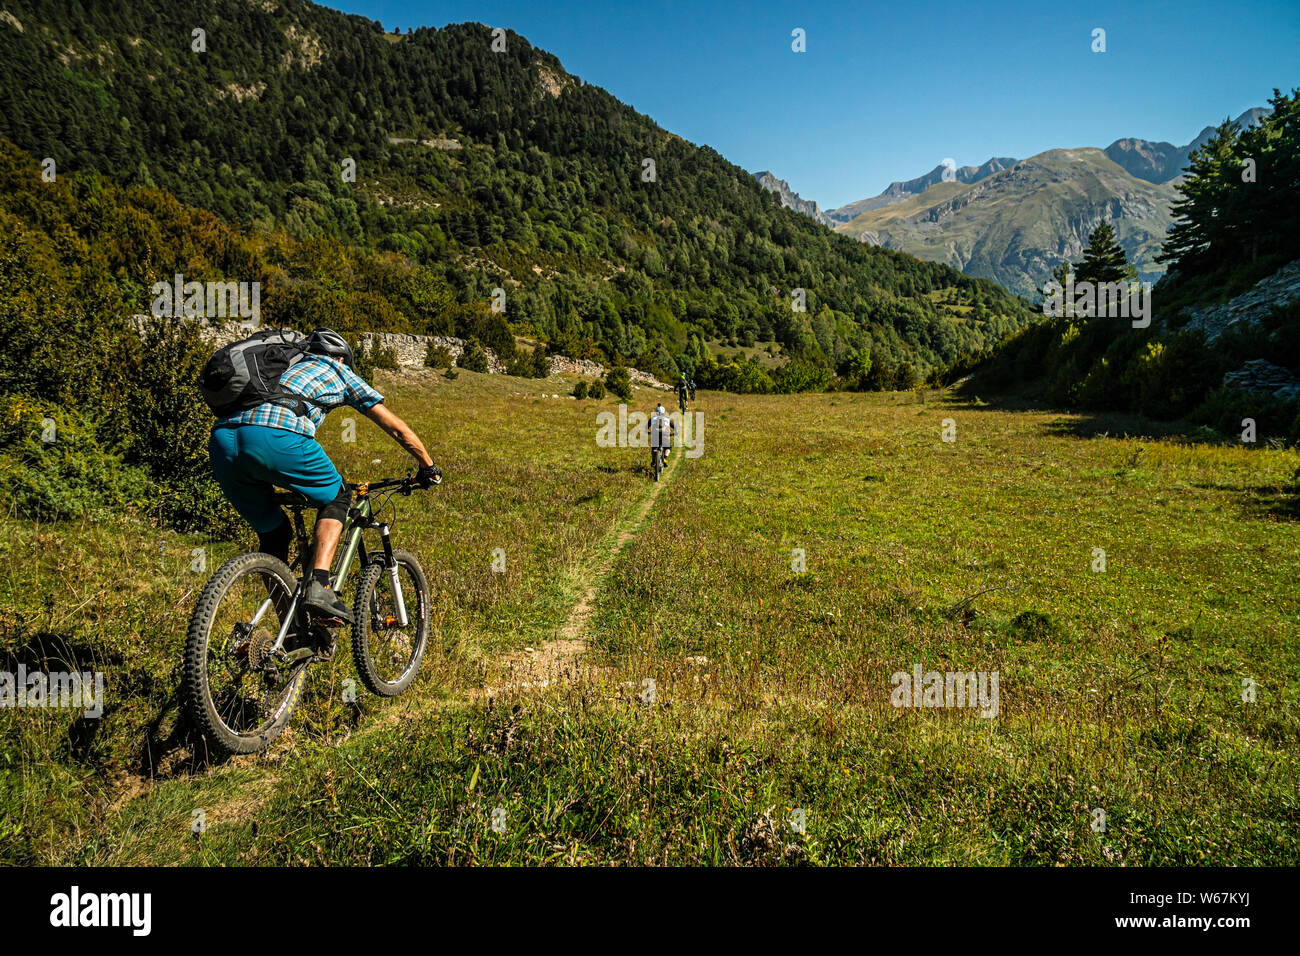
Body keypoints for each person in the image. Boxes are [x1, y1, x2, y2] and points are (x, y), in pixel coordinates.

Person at [207, 328, 440, 625]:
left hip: (223, 442)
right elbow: (396, 428)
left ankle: (289, 628)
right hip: (275, 436)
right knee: (339, 495)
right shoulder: (337, 370)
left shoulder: (282, 366)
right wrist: (428, 466)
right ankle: (320, 584)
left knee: (274, 535)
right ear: (341, 358)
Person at [649, 402, 676, 467]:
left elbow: (646, 427)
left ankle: (653, 461)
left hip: (655, 435)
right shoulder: (667, 419)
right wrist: (675, 432)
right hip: (665, 435)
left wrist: (648, 432)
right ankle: (665, 458)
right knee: (668, 447)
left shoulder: (653, 418)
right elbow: (675, 427)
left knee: (653, 448)